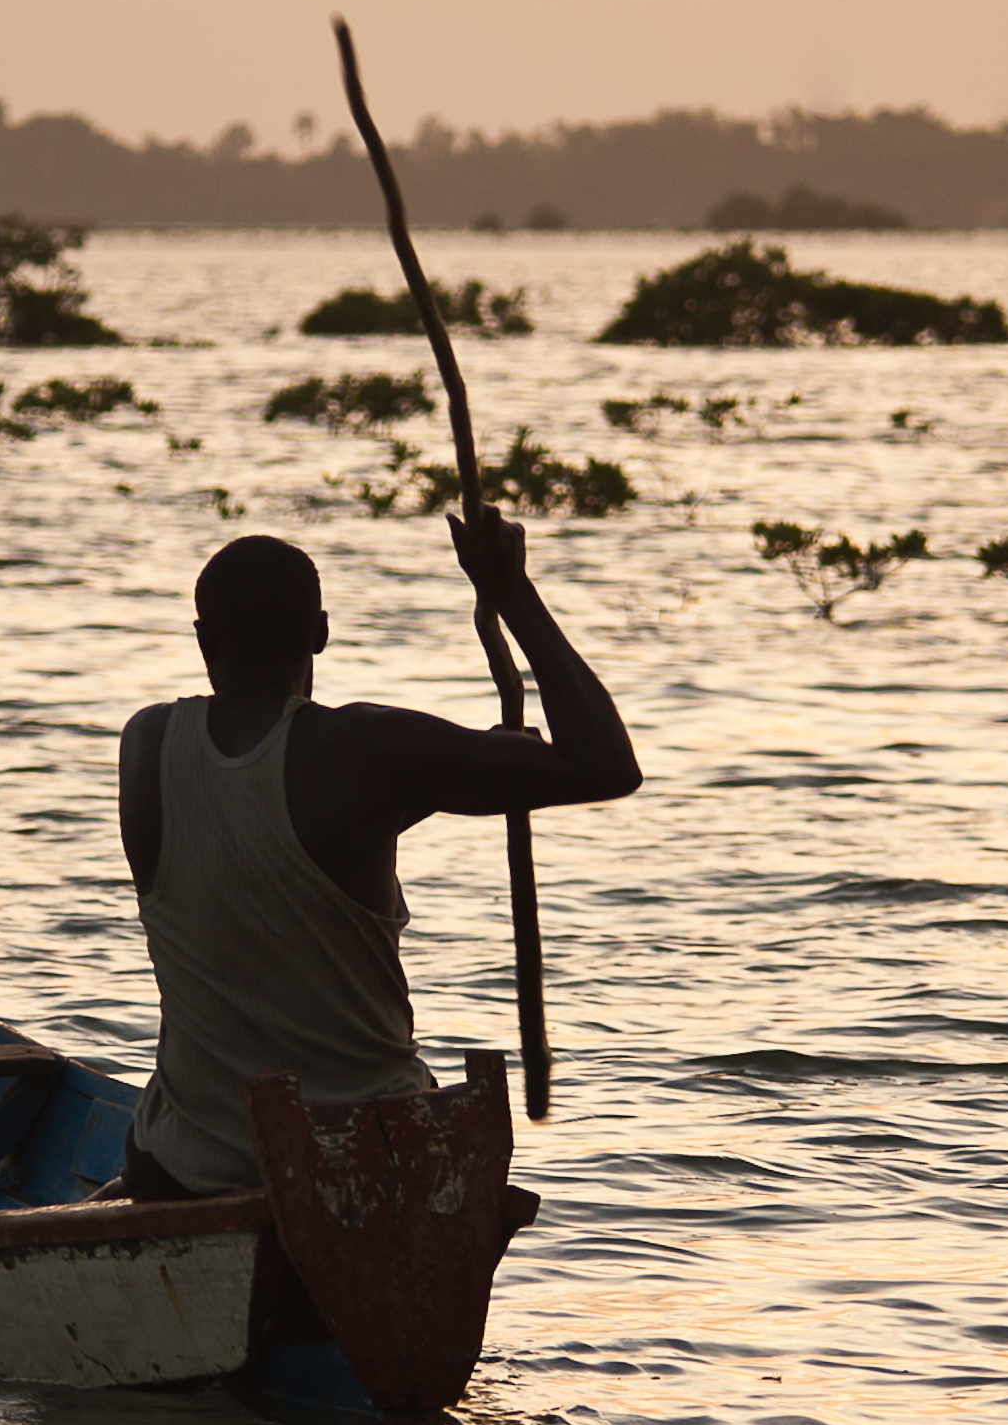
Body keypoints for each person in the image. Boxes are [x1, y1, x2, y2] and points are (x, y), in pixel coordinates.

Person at [117, 512, 640, 1198]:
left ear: (202, 640)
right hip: (369, 1156)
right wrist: (510, 591)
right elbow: (606, 766)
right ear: (322, 634)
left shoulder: (147, 744)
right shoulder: (370, 753)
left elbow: (278, 830)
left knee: (141, 1131)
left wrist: (457, 768)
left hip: (190, 1167)